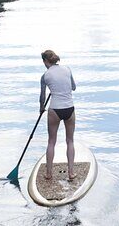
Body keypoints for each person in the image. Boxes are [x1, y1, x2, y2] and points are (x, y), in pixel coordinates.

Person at [39, 49, 77, 180]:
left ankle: (49, 174)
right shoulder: (67, 69)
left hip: (55, 110)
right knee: (70, 141)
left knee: (51, 142)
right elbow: (73, 87)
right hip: (69, 109)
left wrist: (41, 108)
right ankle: (71, 173)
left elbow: (42, 97)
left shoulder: (45, 76)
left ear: (45, 61)